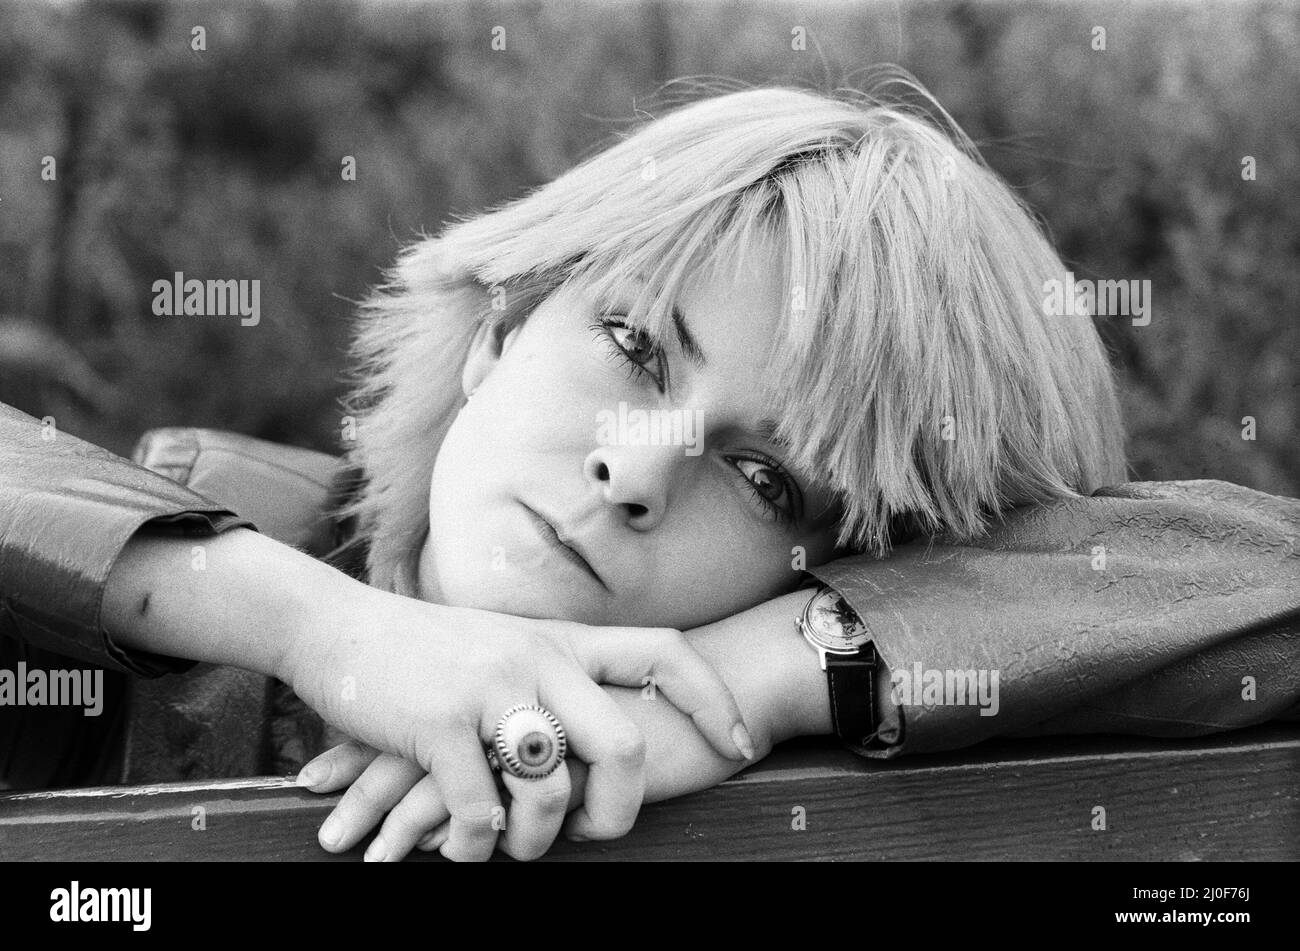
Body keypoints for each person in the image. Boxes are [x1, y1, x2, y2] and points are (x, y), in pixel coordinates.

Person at [2, 79, 1298, 863]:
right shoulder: (134, 600)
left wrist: (772, 673)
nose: (634, 471)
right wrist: (319, 627)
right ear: (503, 327)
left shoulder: (822, 737)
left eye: (766, 479)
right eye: (633, 343)